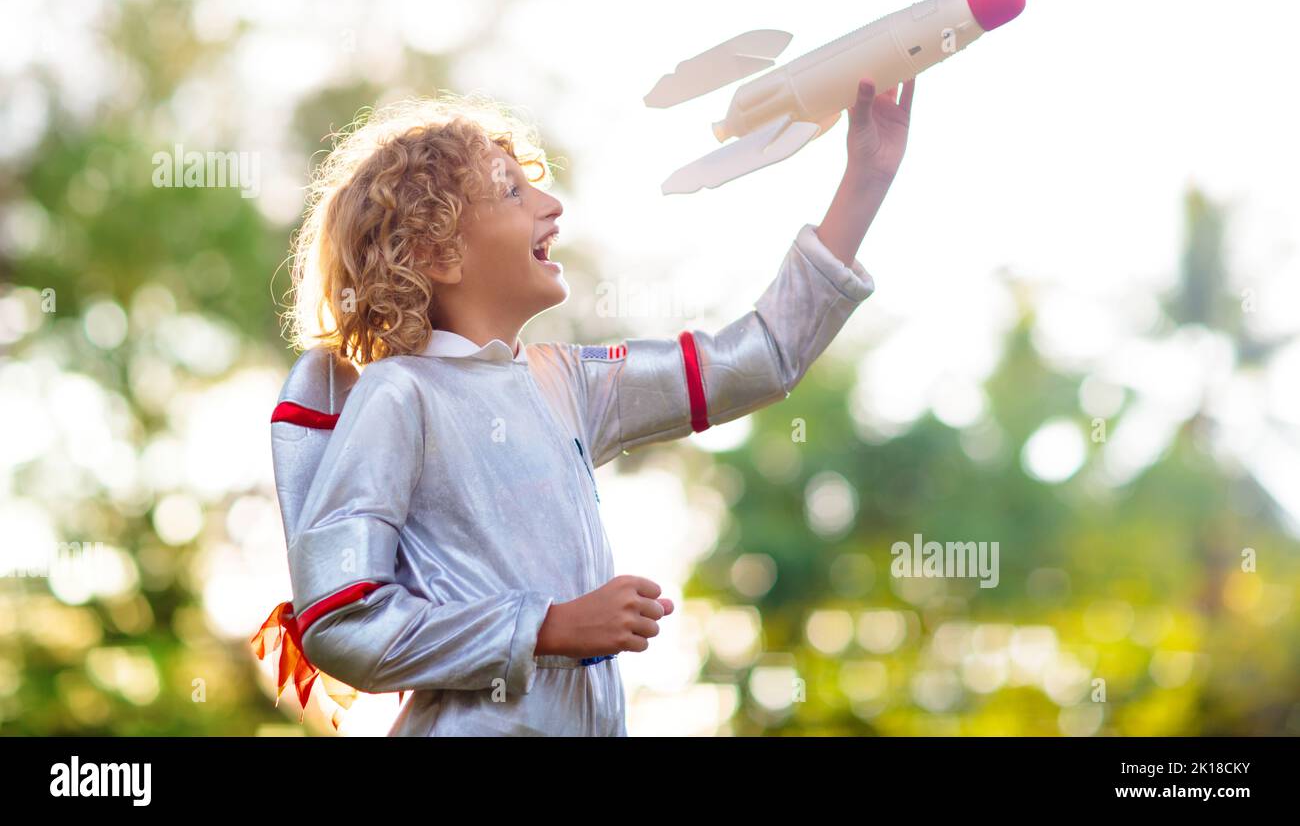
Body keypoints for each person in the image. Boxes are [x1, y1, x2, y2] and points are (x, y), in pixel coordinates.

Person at [251, 77, 915, 735]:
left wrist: (865, 184)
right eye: (513, 190)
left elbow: (755, 362)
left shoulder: (563, 381)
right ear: (436, 252)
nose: (551, 206)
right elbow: (340, 620)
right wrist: (548, 626)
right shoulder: (398, 395)